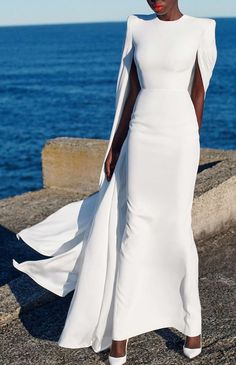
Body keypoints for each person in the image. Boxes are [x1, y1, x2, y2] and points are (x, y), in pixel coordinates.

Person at [12, 1, 217, 364]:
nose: (154, 0)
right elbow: (132, 90)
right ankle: (120, 331)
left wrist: (191, 141)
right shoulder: (136, 27)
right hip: (141, 135)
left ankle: (191, 324)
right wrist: (116, 145)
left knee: (176, 229)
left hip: (180, 138)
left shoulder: (203, 28)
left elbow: (198, 94)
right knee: (134, 230)